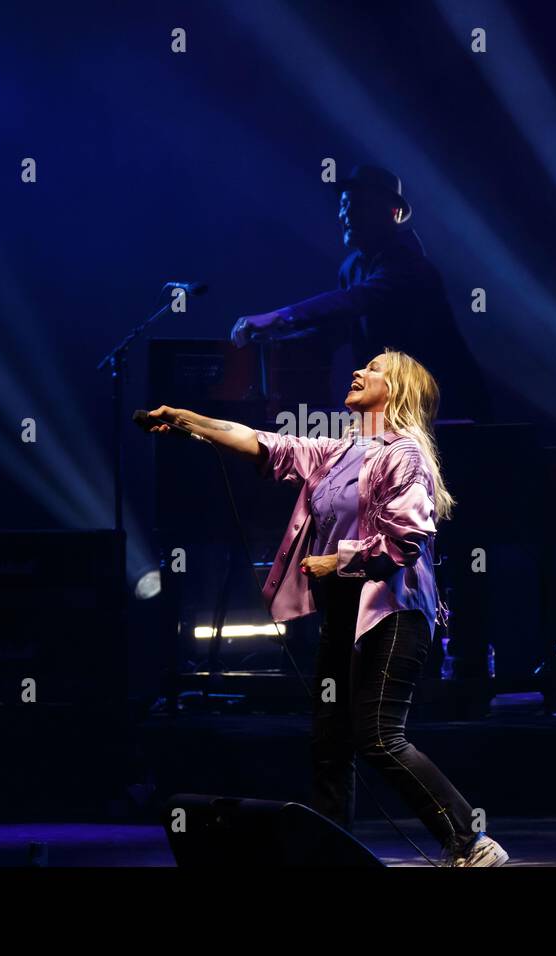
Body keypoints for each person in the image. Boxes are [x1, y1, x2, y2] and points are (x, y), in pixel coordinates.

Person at [145, 349, 508, 866]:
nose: (359, 371)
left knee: (378, 736)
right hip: (343, 611)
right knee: (330, 743)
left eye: (375, 369)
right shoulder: (336, 453)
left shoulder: (403, 455)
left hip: (391, 612)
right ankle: (329, 856)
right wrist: (187, 420)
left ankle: (471, 842)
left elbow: (407, 541)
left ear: (399, 391)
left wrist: (337, 562)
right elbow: (258, 440)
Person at [228, 165, 490, 421]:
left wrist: (279, 316)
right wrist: (275, 340)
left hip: (445, 408)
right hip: (394, 408)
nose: (347, 214)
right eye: (344, 205)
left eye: (360, 205)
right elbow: (338, 329)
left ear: (393, 213)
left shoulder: (409, 264)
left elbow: (357, 299)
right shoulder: (352, 267)